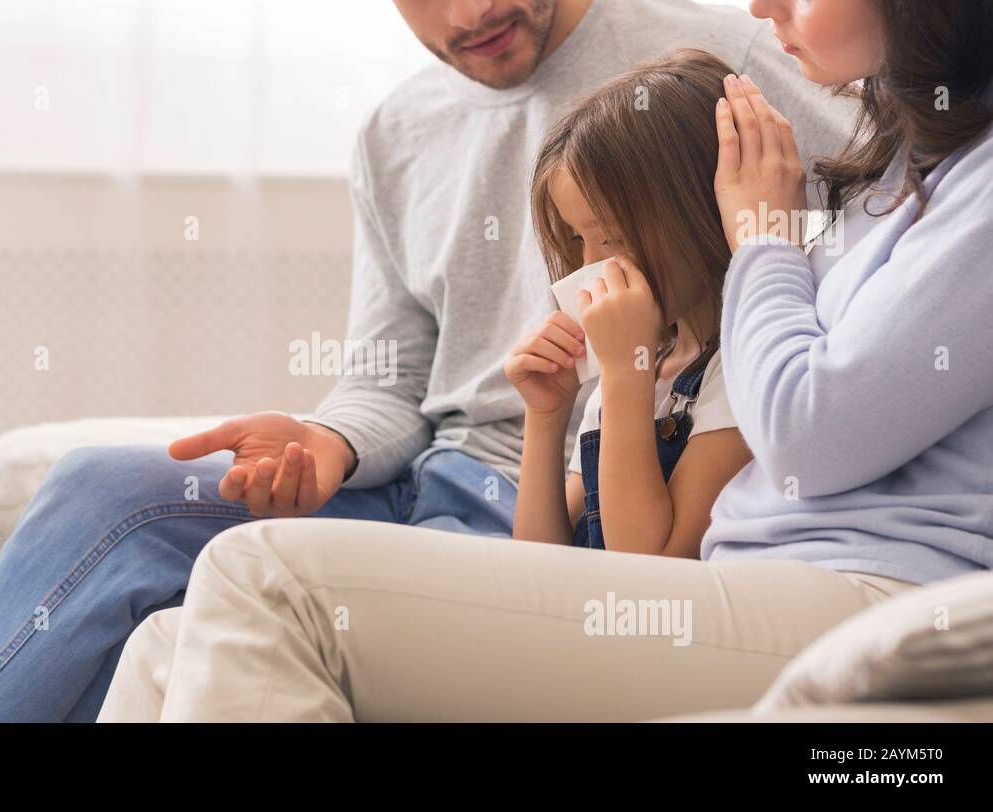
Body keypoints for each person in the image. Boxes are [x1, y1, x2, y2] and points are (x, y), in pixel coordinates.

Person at [0, 0, 850, 722]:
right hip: (422, 479)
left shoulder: (736, 60)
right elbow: (388, 380)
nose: (469, 15)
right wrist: (327, 443)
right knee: (107, 490)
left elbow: (893, 213)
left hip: (551, 512)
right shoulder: (395, 134)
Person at [100, 0, 993, 722]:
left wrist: (756, 237)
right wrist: (550, 412)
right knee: (167, 643)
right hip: (762, 582)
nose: (761, 9)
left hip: (859, 592)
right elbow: (551, 552)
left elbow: (799, 440)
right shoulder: (901, 178)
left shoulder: (747, 323)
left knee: (259, 573)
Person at [509, 49, 752, 555]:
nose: (590, 267)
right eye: (577, 240)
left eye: (612, 238)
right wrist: (547, 416)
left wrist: (625, 376)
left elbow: (649, 572)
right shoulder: (649, 364)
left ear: (702, 212)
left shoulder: (742, 367)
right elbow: (535, 570)